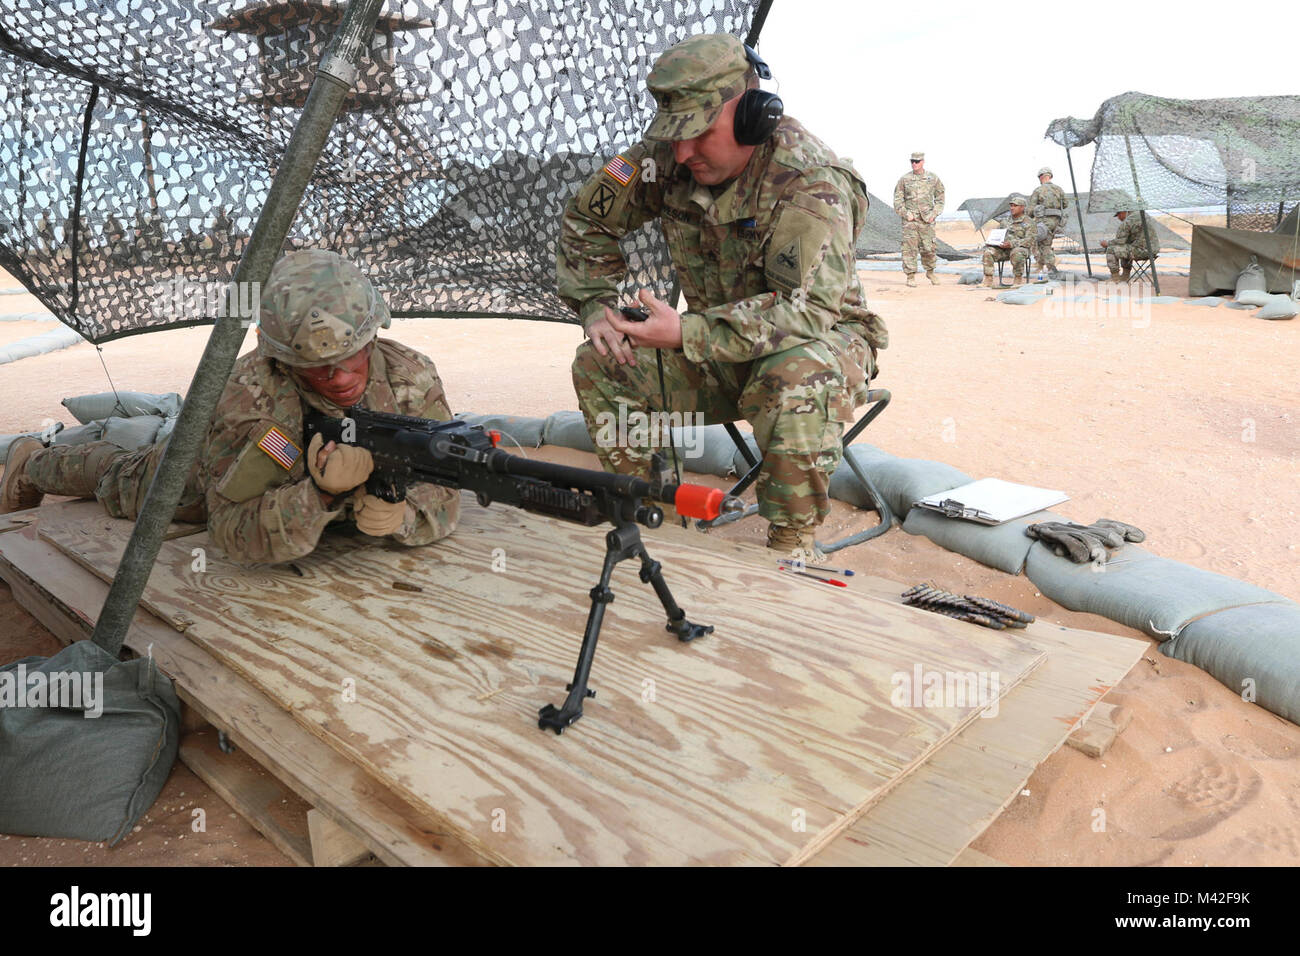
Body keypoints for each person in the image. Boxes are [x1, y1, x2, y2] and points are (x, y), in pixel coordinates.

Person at [556, 33, 886, 558]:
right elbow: (585, 220)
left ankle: (790, 548)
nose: (682, 153)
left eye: (699, 133)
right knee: (602, 362)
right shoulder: (656, 159)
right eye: (673, 135)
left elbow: (805, 311)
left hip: (817, 344)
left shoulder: (811, 180)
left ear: (753, 116)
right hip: (715, 350)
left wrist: (686, 331)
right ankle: (647, 513)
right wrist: (595, 303)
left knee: (797, 375)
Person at [0, 250, 460, 563]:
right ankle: (33, 460)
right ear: (282, 358)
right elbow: (229, 530)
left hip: (295, 494)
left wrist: (406, 514)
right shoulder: (249, 393)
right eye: (315, 367)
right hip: (205, 480)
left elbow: (445, 478)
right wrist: (318, 496)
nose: (338, 377)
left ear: (372, 335)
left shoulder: (410, 377)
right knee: (119, 480)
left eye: (350, 356)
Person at [893, 151, 945, 286]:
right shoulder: (904, 180)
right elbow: (898, 201)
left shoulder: (932, 178)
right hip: (910, 221)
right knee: (909, 249)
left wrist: (934, 214)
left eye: (917, 161)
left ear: (923, 162)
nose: (914, 164)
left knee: (929, 248)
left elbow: (940, 198)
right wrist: (906, 214)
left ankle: (931, 272)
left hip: (927, 220)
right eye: (912, 161)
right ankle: (910, 276)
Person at [981, 195, 1035, 288]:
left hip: (1020, 250)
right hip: (1003, 251)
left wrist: (1012, 244)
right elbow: (998, 234)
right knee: (988, 252)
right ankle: (988, 279)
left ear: (1022, 207)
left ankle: (1017, 280)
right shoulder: (1005, 221)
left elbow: (1030, 241)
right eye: (1011, 206)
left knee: (1017, 252)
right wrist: (992, 242)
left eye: (1015, 206)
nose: (1012, 208)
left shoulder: (1029, 222)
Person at [1028, 167, 1068, 276]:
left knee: (1042, 244)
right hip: (1057, 221)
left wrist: (1029, 217)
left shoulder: (1039, 190)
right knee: (1044, 243)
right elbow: (1065, 204)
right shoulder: (1059, 189)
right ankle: (1040, 265)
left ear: (1041, 177)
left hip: (1043, 221)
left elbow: (1031, 208)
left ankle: (1051, 267)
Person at [1100, 210, 1155, 281]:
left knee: (1111, 249)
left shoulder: (1128, 221)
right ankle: (1125, 276)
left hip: (1141, 251)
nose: (1118, 218)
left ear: (1123, 212)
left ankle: (1115, 278)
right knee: (1125, 248)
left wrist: (1107, 244)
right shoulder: (1143, 215)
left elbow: (1120, 241)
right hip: (1152, 250)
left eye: (1118, 215)